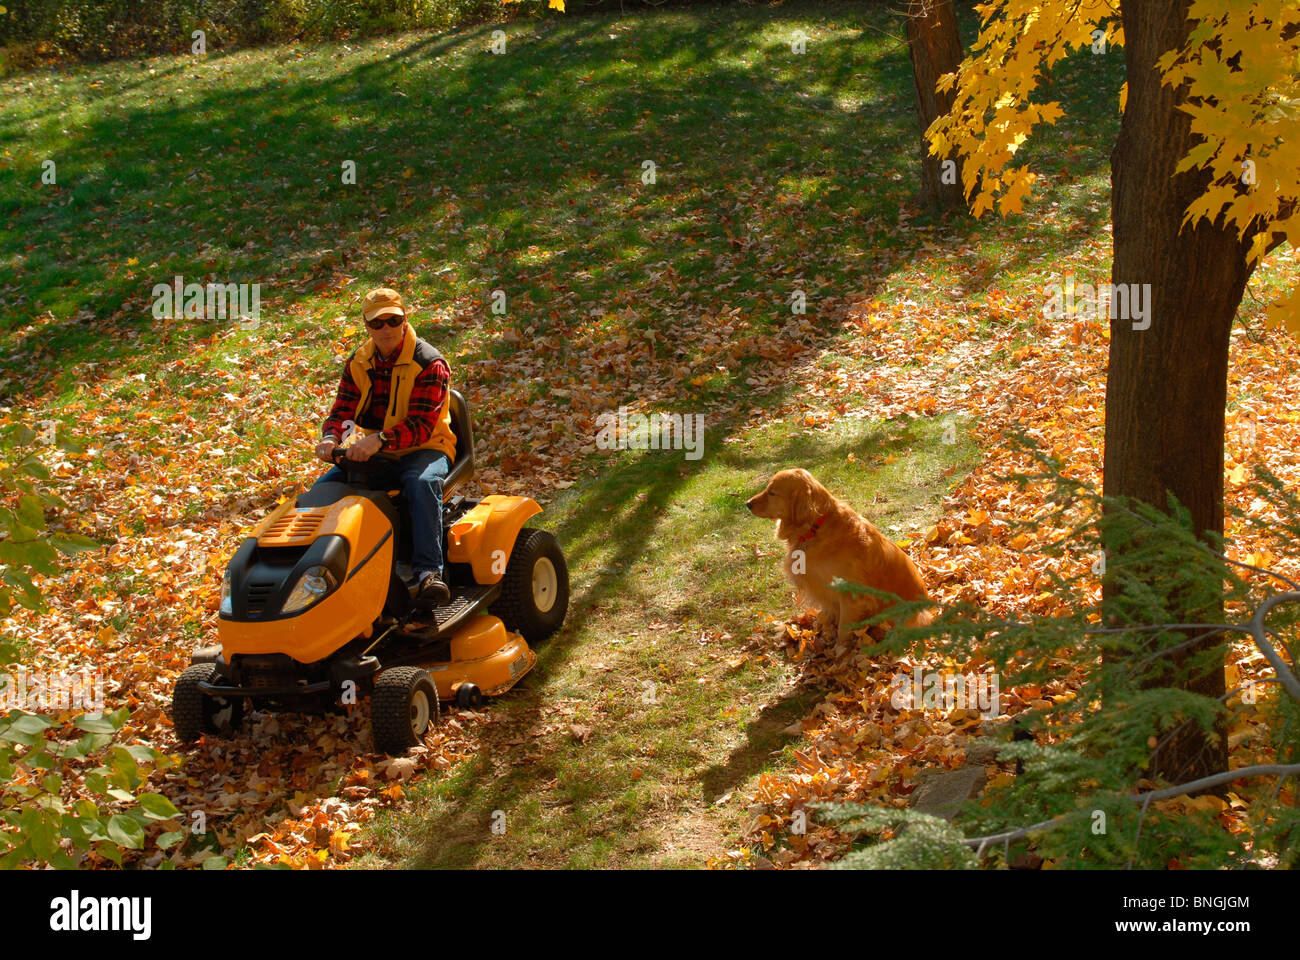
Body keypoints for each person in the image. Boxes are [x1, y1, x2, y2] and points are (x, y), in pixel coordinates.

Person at [312, 288, 455, 605]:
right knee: (318, 494)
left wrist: (379, 440)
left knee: (421, 482)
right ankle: (317, 575)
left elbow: (420, 426)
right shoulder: (358, 363)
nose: (386, 328)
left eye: (393, 320)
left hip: (426, 448)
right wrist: (331, 437)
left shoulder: (430, 363)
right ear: (367, 326)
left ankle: (429, 573)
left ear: (405, 321)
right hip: (378, 452)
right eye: (377, 323)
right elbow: (343, 411)